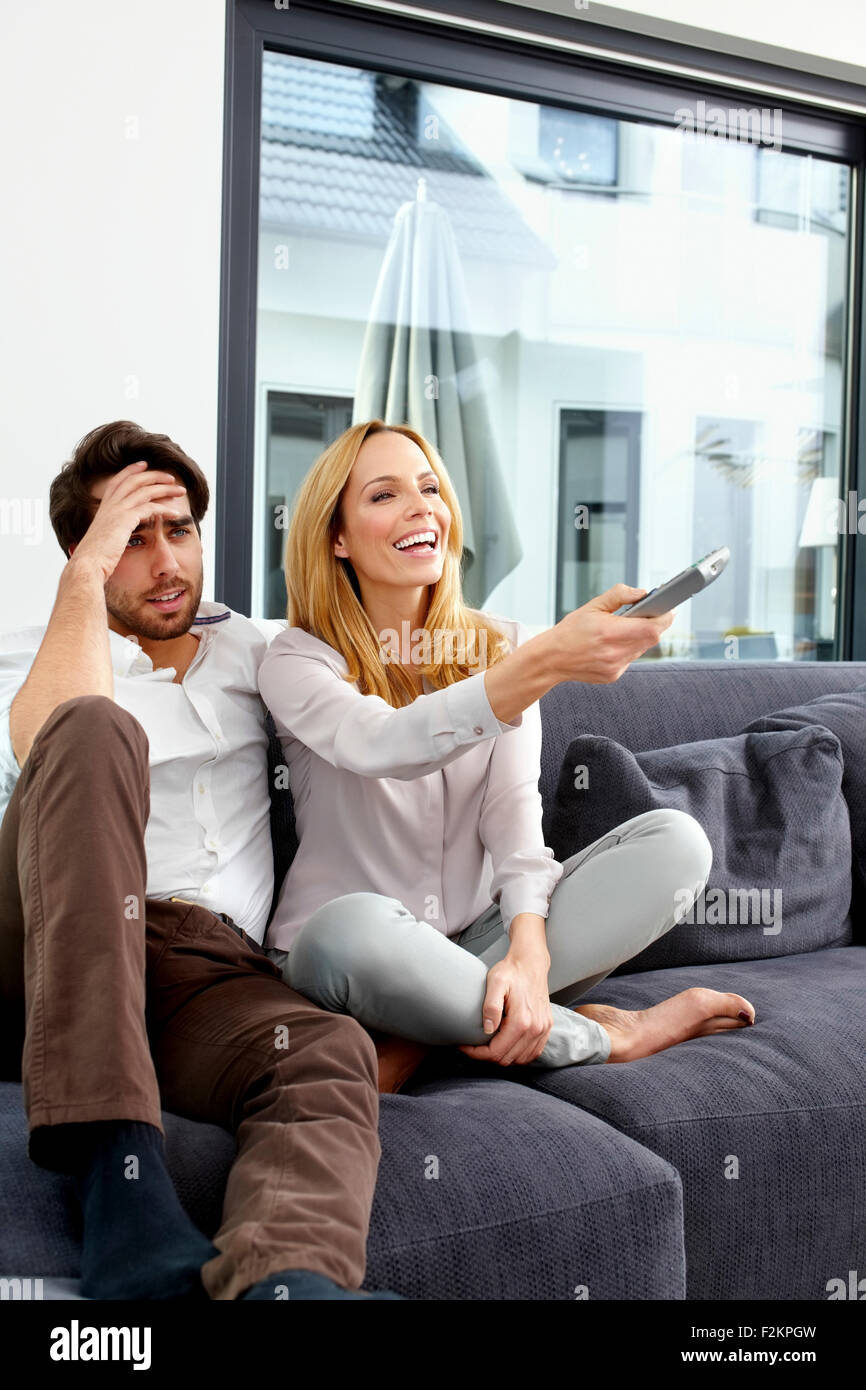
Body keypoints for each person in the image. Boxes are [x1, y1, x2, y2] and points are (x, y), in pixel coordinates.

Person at [0, 420, 401, 1302]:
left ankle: (292, 1282)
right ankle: (121, 1190)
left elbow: (392, 725)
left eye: (177, 531)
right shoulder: (36, 651)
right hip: (50, 942)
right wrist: (84, 579)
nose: (166, 562)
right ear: (85, 550)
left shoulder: (260, 653)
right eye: (129, 539)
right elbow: (43, 739)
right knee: (95, 727)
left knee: (325, 1046)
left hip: (205, 975)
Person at [257, 419, 756, 1092]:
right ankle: (603, 1034)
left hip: (472, 947)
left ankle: (421, 1034)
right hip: (350, 956)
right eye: (383, 495)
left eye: (430, 487)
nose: (420, 507)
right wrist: (543, 661)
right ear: (337, 537)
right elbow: (385, 745)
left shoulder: (505, 647)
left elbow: (513, 821)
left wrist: (527, 951)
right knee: (346, 928)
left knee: (677, 845)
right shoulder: (297, 659)